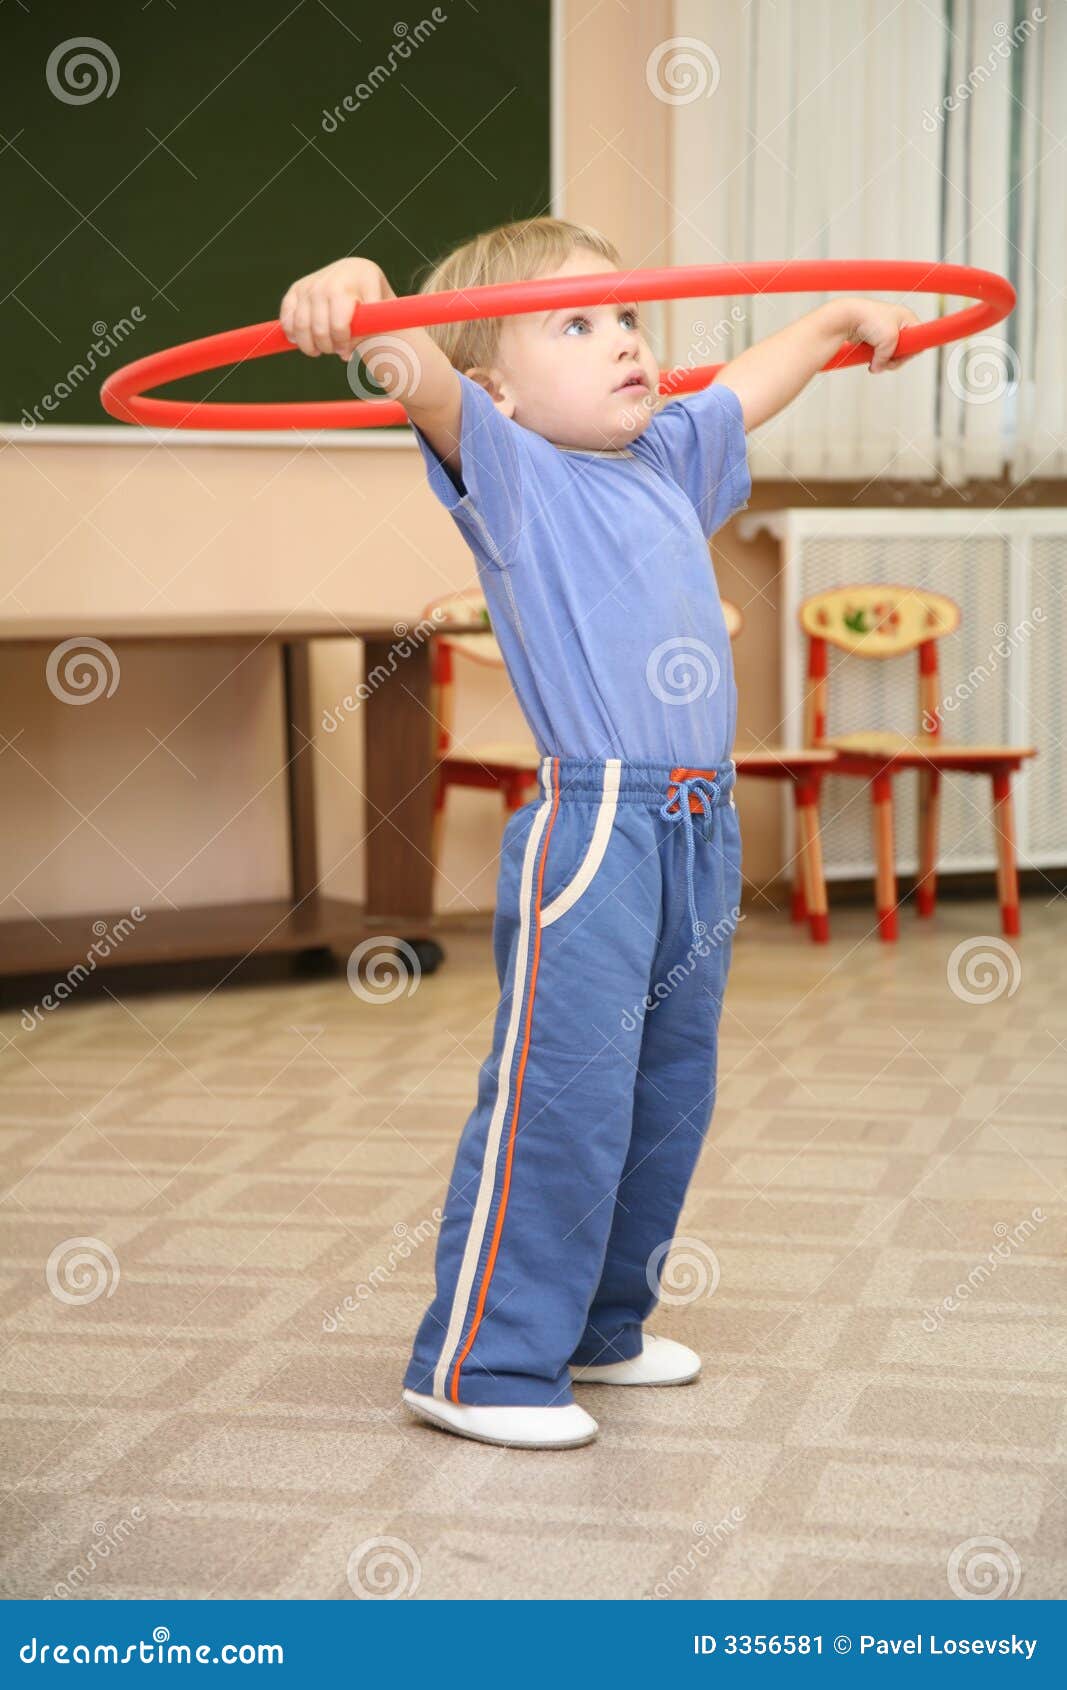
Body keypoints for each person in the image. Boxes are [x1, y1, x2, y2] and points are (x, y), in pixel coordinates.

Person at [281, 218, 918, 1450]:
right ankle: (482, 1361)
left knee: (665, 1089)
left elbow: (741, 388)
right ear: (501, 388)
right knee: (561, 1096)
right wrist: (363, 295)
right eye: (576, 322)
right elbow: (412, 373)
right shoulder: (513, 469)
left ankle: (599, 1326)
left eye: (625, 313)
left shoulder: (666, 457)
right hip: (597, 833)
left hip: (699, 829)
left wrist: (833, 321)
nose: (624, 337)